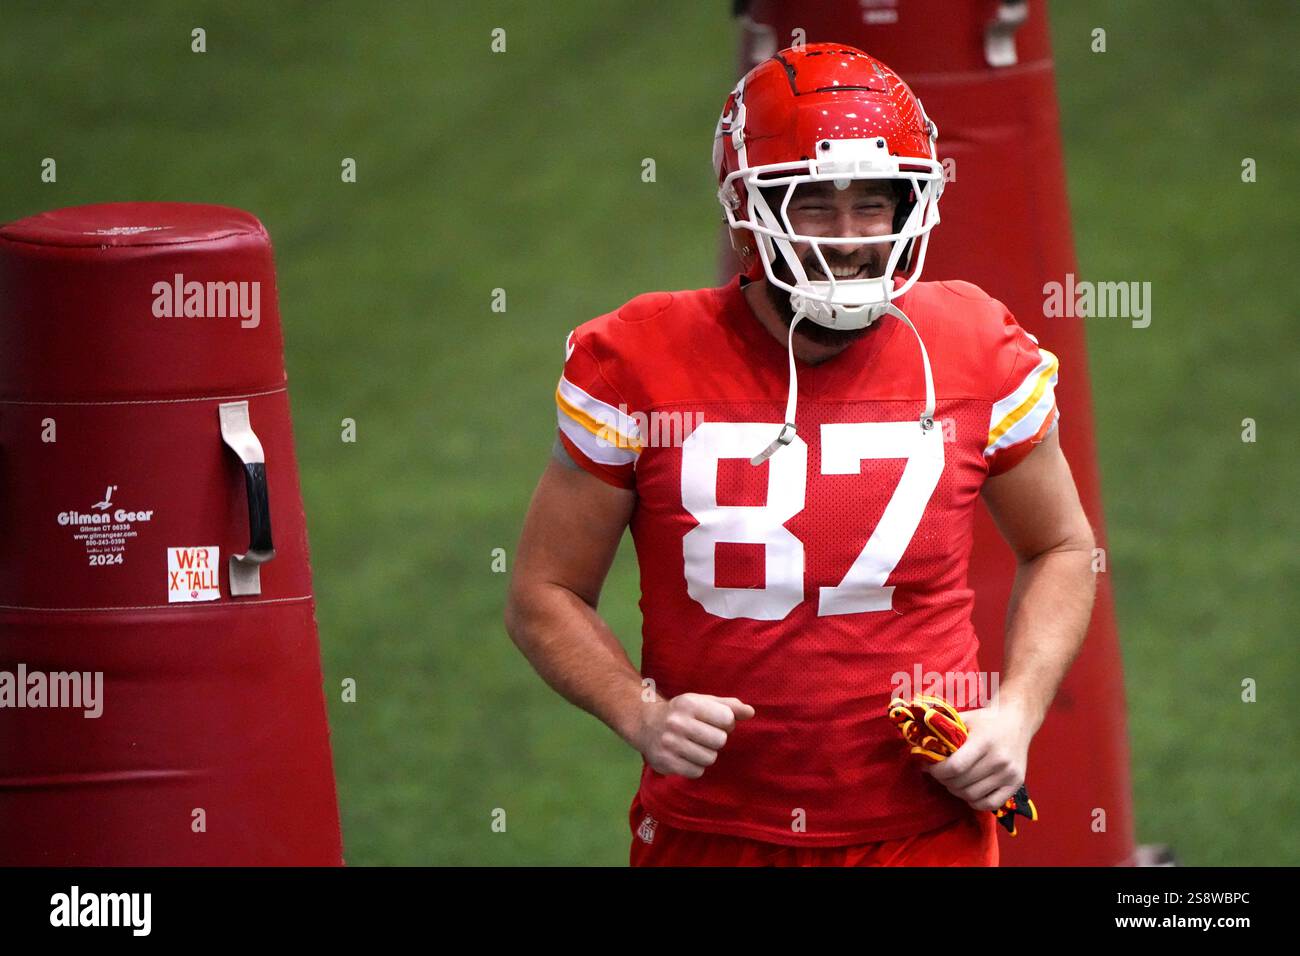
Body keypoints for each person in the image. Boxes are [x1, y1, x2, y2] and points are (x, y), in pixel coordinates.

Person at [504, 43, 1096, 866]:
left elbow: (1064, 547)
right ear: (748, 204)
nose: (849, 239)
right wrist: (638, 712)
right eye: (814, 203)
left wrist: (1018, 711)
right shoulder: (636, 359)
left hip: (920, 831)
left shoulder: (974, 346)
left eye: (874, 204)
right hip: (715, 832)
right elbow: (544, 590)